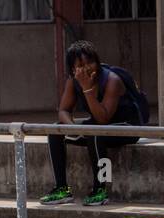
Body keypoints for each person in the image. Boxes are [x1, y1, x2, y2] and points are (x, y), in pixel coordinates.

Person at [39, 41, 143, 208]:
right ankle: (62, 189)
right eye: (81, 65)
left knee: (95, 133)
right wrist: (73, 128)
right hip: (99, 126)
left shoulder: (111, 81)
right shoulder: (73, 82)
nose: (87, 68)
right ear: (73, 70)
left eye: (90, 62)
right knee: (55, 130)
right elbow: (64, 110)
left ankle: (100, 190)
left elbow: (103, 119)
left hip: (127, 127)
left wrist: (88, 90)